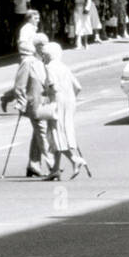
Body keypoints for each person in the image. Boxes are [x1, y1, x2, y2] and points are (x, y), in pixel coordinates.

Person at [0, 31, 52, 178]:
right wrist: (20, 102)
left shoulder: (42, 62)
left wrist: (5, 97)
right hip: (33, 104)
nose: (46, 48)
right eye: (44, 45)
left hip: (43, 103)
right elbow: (20, 86)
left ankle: (34, 165)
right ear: (38, 47)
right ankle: (53, 165)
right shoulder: (28, 62)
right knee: (43, 133)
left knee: (38, 134)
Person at [41, 42, 89, 179]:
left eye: (44, 54)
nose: (42, 57)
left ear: (49, 54)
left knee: (56, 134)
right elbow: (78, 87)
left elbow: (53, 87)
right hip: (69, 102)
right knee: (62, 132)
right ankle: (55, 169)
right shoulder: (64, 67)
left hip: (57, 102)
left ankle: (75, 159)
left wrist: (45, 93)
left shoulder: (49, 67)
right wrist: (70, 99)